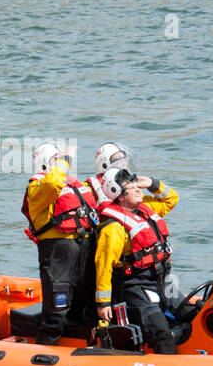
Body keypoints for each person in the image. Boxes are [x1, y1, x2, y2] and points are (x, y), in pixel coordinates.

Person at [93, 167, 179, 354]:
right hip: (135, 286)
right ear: (120, 195)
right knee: (162, 333)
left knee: (192, 311)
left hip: (160, 282)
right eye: (132, 187)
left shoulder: (144, 209)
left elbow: (171, 199)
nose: (138, 189)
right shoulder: (113, 228)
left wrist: (153, 184)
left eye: (135, 185)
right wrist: (103, 304)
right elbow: (104, 266)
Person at [22, 142, 98, 345]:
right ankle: (45, 348)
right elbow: (53, 183)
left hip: (85, 246)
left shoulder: (75, 185)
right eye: (57, 161)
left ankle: (88, 345)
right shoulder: (38, 186)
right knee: (57, 306)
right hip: (59, 250)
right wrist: (65, 159)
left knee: (87, 302)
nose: (63, 165)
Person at [84, 141, 131, 207]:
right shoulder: (90, 187)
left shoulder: (132, 185)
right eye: (118, 159)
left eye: (124, 158)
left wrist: (151, 186)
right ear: (104, 165)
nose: (124, 163)